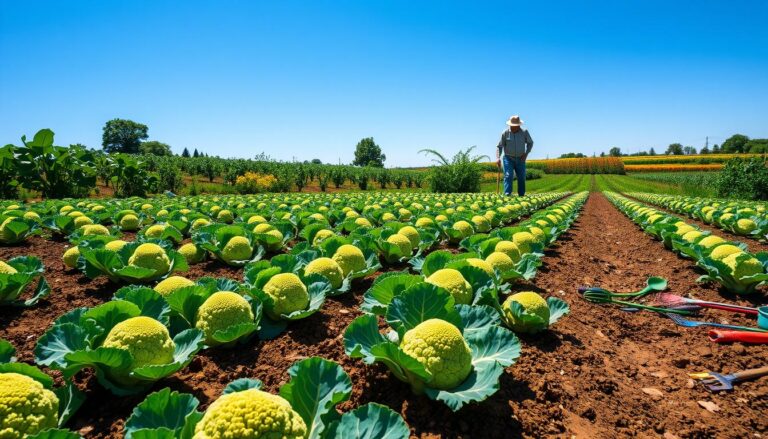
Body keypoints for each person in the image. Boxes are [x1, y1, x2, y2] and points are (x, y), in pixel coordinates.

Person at [496, 115, 534, 196]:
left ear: (519, 125)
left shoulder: (524, 132)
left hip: (521, 159)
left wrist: (526, 153)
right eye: (512, 125)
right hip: (508, 158)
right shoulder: (505, 133)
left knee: (521, 177)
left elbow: (530, 143)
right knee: (508, 176)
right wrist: (498, 158)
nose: (513, 127)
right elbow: (499, 146)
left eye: (515, 126)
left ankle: (521, 195)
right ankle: (507, 195)